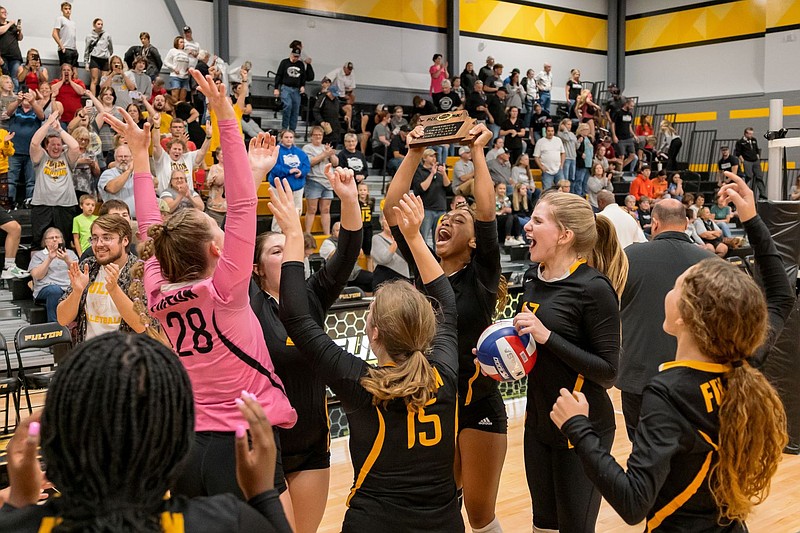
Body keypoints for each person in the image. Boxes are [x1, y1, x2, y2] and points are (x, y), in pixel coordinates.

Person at [104, 70, 297, 499]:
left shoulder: (157, 293)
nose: (225, 227)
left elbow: (152, 231)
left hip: (188, 446)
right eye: (217, 226)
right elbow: (244, 203)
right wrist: (225, 113)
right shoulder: (225, 290)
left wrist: (140, 156)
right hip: (246, 445)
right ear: (215, 251)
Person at [273, 171, 462, 532]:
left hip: (374, 522)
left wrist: (295, 235)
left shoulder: (362, 383)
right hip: (444, 522)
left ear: (372, 331)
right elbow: (447, 303)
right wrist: (413, 237)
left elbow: (296, 317)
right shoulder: (445, 375)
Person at [551, 257, 787, 531]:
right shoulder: (741, 367)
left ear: (685, 316)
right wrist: (751, 221)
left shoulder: (669, 392)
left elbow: (633, 502)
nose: (668, 292)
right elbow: (781, 299)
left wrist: (578, 427)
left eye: (676, 287)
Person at [0, 333, 293, 532]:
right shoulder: (226, 522)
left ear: (56, 438)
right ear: (178, 444)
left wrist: (19, 505)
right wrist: (263, 494)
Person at [385, 123, 506, 533]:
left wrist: (476, 153)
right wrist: (415, 150)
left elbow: (487, 212)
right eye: (445, 216)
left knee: (479, 516)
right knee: (439, 506)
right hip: (430, 405)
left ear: (474, 242)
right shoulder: (424, 268)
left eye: (459, 219)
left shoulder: (482, 276)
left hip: (476, 406)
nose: (446, 221)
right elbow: (391, 209)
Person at [250, 165, 362, 533]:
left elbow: (347, 253)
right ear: (257, 269)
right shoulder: (248, 302)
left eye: (291, 248)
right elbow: (235, 236)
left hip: (313, 437)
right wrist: (253, 178)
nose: (288, 255)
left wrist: (349, 200)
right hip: (267, 443)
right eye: (276, 251)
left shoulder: (312, 295)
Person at [513, 191, 626, 532]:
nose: (527, 227)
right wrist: (504, 359)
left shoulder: (593, 288)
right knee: (542, 526)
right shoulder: (532, 278)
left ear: (564, 235)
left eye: (537, 221)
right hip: (538, 424)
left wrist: (549, 337)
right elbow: (537, 352)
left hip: (583, 427)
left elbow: (608, 373)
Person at [616, 199, 715, 440]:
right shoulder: (711, 264)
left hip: (638, 375)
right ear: (687, 223)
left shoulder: (629, 257)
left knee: (641, 453)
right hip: (693, 376)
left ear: (655, 223)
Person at [56, 211, 148, 343]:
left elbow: (141, 325)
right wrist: (77, 292)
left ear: (125, 240)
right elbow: (62, 319)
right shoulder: (88, 266)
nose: (99, 244)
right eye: (94, 238)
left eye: (107, 238)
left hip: (126, 357)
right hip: (90, 355)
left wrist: (114, 289)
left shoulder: (139, 272)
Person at [29, 111, 80, 247]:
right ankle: (37, 267)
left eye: (59, 144)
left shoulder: (67, 158)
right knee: (39, 241)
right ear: (46, 146)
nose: (56, 147)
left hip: (66, 205)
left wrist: (59, 130)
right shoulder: (41, 158)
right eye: (52, 144)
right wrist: (48, 123)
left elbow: (75, 146)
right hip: (42, 205)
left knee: (64, 242)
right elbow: (34, 143)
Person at [27, 227, 77, 321]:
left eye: (57, 237)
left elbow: (78, 272)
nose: (54, 239)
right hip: (47, 289)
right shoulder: (38, 255)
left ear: (62, 240)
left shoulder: (70, 254)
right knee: (54, 290)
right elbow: (37, 275)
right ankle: (55, 326)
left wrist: (67, 259)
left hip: (68, 288)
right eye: (51, 238)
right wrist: (49, 258)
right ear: (45, 242)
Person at [269, 129, 310, 232]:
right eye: (286, 137)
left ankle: (293, 231)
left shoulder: (300, 152)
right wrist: (288, 171)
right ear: (281, 138)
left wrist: (301, 172)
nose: (289, 139)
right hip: (280, 186)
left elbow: (306, 165)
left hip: (297, 187)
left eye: (291, 137)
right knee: (280, 210)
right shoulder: (276, 151)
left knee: (297, 210)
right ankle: (276, 232)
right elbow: (273, 167)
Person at [303, 125, 338, 235]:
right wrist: (324, 154)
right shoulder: (307, 148)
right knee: (312, 209)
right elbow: (310, 162)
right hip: (314, 181)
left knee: (326, 210)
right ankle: (307, 234)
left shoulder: (326, 147)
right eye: (315, 135)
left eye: (320, 135)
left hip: (328, 182)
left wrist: (331, 154)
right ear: (311, 136)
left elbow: (336, 163)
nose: (318, 137)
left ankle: (327, 234)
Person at [412, 148, 450, 245]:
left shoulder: (440, 171)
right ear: (424, 158)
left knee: (439, 238)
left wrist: (444, 173)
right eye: (431, 156)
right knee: (423, 238)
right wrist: (432, 174)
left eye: (435, 156)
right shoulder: (419, 171)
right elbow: (421, 188)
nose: (434, 158)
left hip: (441, 208)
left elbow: (448, 187)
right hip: (427, 209)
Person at [273, 43, 314, 132]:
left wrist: (302, 86)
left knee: (295, 109)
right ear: (291, 54)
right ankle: (284, 128)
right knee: (287, 106)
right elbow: (279, 75)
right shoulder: (284, 62)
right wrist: (276, 88)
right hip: (286, 87)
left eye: (297, 57)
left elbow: (303, 76)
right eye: (294, 56)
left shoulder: (300, 64)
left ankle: (292, 130)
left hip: (296, 89)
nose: (295, 58)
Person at [371, 213, 410, 289]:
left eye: (393, 219)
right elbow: (384, 259)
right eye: (386, 219)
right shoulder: (377, 238)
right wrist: (396, 240)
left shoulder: (405, 239)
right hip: (385, 281)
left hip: (404, 280)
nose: (389, 222)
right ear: (382, 222)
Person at [84, 18, 113, 95]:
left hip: (104, 59)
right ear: (94, 25)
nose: (100, 26)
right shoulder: (89, 36)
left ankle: (102, 97)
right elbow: (87, 50)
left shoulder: (107, 35)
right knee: (94, 80)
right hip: (95, 58)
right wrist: (86, 62)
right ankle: (93, 98)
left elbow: (111, 47)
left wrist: (108, 55)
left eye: (101, 24)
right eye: (98, 24)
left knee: (104, 80)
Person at [734, 127, 765, 200]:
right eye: (749, 134)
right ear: (745, 133)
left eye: (752, 134)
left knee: (759, 176)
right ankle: (745, 190)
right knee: (749, 176)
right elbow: (738, 153)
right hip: (747, 161)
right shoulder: (740, 142)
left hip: (755, 160)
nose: (751, 135)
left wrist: (758, 157)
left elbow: (756, 149)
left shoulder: (754, 140)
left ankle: (763, 194)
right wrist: (743, 160)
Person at [533, 124, 565, 190]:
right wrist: (541, 167)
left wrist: (561, 165)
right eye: (549, 131)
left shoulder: (558, 140)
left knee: (562, 189)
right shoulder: (540, 142)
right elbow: (536, 156)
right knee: (547, 191)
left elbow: (563, 153)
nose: (550, 133)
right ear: (545, 132)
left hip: (558, 169)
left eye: (552, 131)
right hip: (547, 171)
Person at [164, 36, 190, 106]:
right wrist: (173, 68)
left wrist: (188, 68)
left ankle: (181, 112)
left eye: (183, 42)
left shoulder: (186, 53)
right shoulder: (172, 51)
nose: (183, 44)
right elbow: (166, 62)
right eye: (181, 42)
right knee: (175, 97)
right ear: (177, 43)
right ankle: (173, 111)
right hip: (175, 76)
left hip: (185, 76)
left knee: (183, 98)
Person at [52, 2, 77, 67]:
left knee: (74, 72)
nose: (68, 10)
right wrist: (62, 46)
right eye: (65, 9)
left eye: (69, 9)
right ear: (62, 10)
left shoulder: (72, 22)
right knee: (65, 71)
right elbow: (54, 33)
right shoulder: (60, 19)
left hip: (73, 49)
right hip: (65, 48)